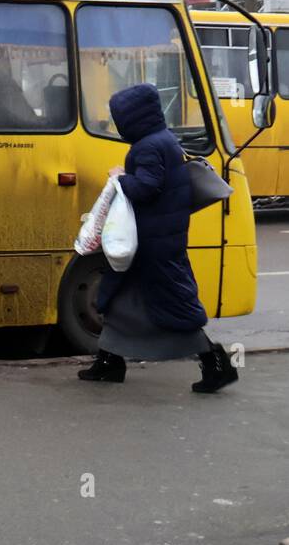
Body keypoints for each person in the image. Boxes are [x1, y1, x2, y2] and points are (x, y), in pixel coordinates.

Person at [78, 83, 238, 393]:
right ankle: (109, 362)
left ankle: (214, 363)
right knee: (118, 299)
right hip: (156, 238)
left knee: (171, 306)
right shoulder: (163, 140)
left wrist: (120, 178)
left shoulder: (148, 146)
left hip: (152, 242)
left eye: (120, 118)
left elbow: (147, 187)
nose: (118, 125)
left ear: (133, 119)